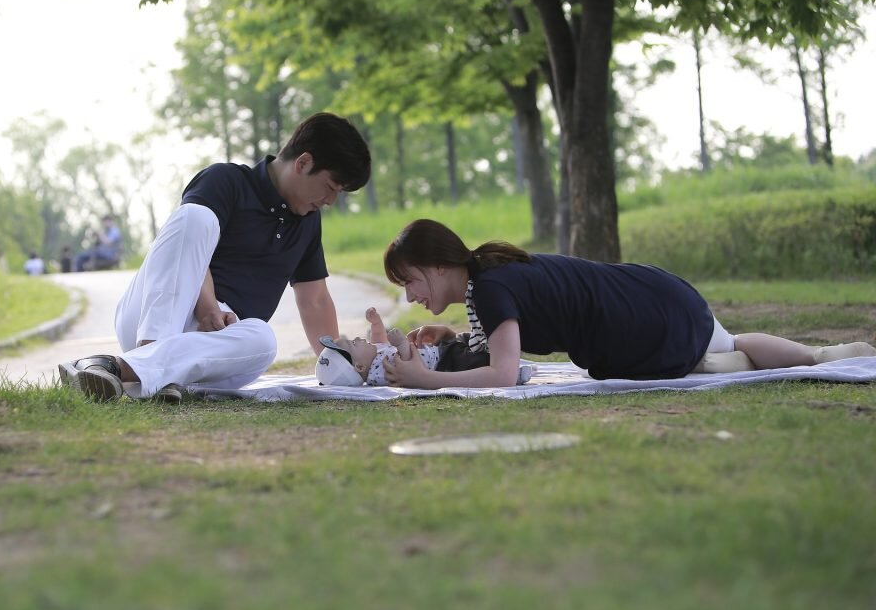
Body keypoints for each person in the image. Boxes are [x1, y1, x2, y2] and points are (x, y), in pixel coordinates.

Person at [58, 112, 371, 401]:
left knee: (263, 338)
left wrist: (338, 364)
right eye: (330, 187)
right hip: (152, 319)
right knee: (196, 217)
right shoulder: (226, 180)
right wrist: (206, 304)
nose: (330, 201)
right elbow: (187, 243)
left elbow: (314, 299)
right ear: (303, 163)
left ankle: (126, 370)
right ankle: (148, 357)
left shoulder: (307, 222)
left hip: (214, 351)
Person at [378, 218, 876, 389]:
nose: (411, 296)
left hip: (642, 322)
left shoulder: (487, 287)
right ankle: (815, 357)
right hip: (657, 295)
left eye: (412, 281)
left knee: (711, 352)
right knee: (726, 341)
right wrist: (450, 340)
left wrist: (428, 379)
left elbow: (503, 375)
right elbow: (496, 348)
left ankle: (731, 360)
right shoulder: (487, 275)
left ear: (439, 266)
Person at [315, 307, 532, 386]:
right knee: (470, 360)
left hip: (439, 352)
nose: (359, 339)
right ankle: (515, 373)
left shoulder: (373, 355)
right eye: (354, 344)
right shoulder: (379, 371)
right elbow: (408, 364)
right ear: (360, 368)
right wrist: (401, 344)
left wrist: (376, 324)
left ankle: (503, 352)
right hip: (442, 364)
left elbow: (379, 340)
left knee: (466, 342)